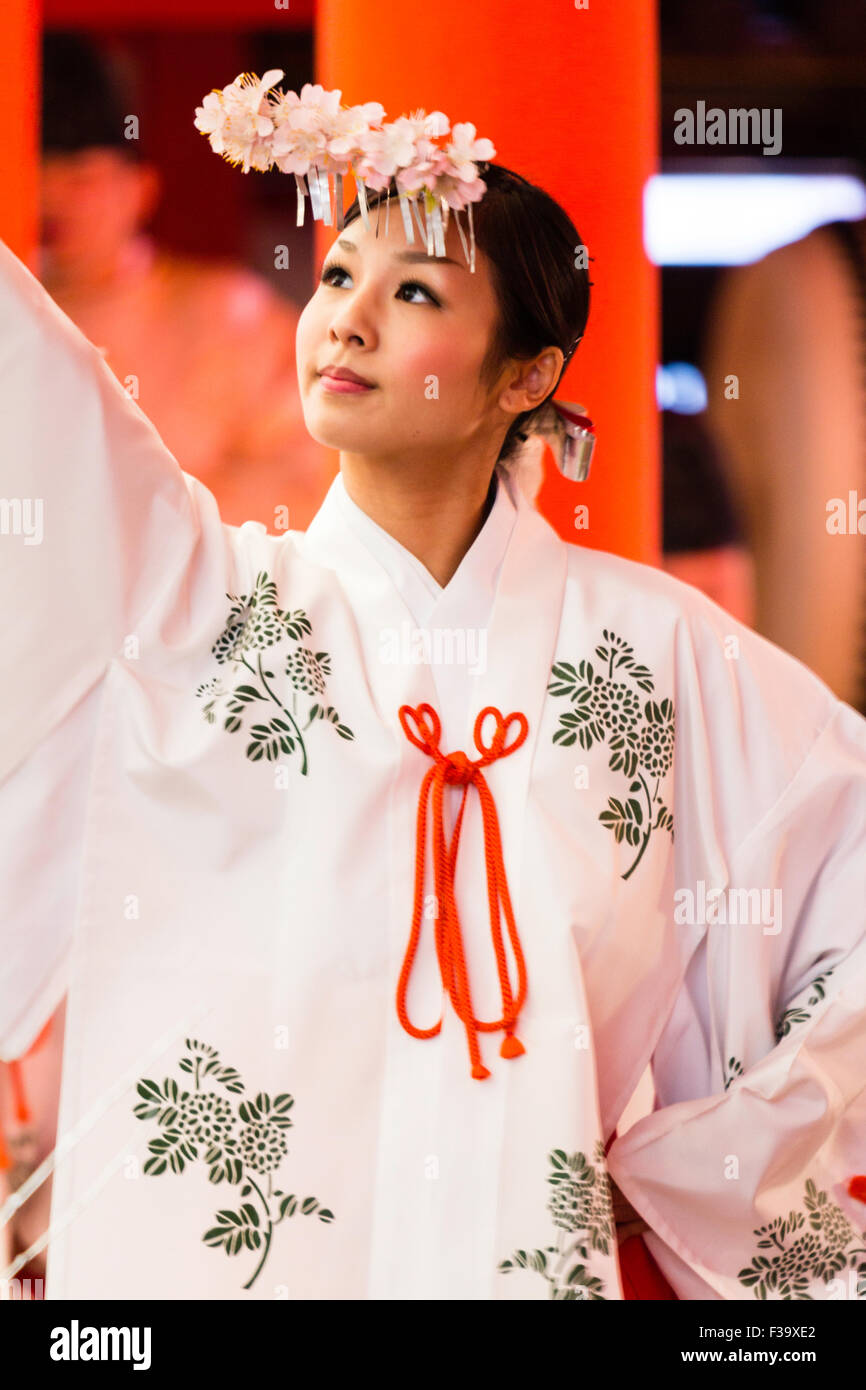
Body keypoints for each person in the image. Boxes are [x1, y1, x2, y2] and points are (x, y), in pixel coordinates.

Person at [1, 77, 865, 1301]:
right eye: (339, 275)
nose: (345, 320)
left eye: (412, 292)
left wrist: (696, 1168)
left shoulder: (657, 654)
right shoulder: (201, 614)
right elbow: (36, 416)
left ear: (525, 376)